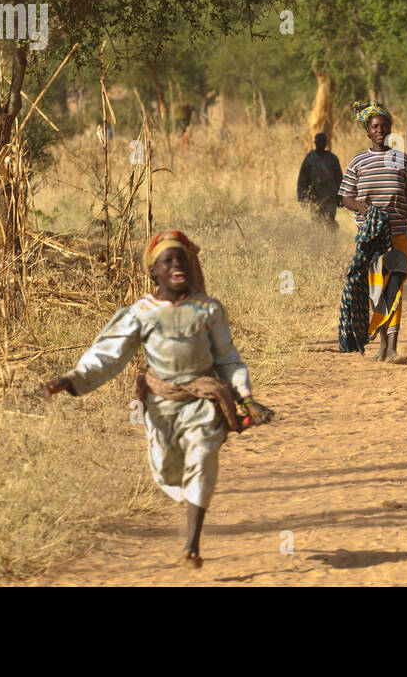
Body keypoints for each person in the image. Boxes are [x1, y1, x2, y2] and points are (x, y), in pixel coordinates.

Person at [45, 230, 274, 569]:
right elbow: (109, 354)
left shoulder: (208, 309)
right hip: (160, 403)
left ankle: (192, 545)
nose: (177, 264)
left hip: (202, 399)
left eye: (181, 258)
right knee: (166, 471)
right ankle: (191, 495)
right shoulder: (141, 312)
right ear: (154, 272)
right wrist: (72, 379)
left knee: (202, 453)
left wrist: (246, 398)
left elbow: (227, 358)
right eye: (168, 260)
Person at [337, 101, 407, 363]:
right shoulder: (358, 161)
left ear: (390, 129)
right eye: (375, 127)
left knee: (394, 286)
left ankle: (392, 347)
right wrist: (359, 205)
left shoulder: (401, 160)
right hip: (370, 239)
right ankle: (381, 344)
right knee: (376, 291)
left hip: (400, 233)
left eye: (384, 126)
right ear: (368, 132)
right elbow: (345, 198)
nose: (380, 130)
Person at [297, 132, 342, 227]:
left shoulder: (332, 159)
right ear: (315, 143)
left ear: (326, 143)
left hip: (330, 197)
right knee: (316, 224)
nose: (320, 144)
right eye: (318, 142)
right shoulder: (310, 159)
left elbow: (339, 178)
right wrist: (302, 195)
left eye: (322, 142)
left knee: (330, 222)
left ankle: (332, 241)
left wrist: (341, 197)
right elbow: (303, 179)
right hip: (315, 198)